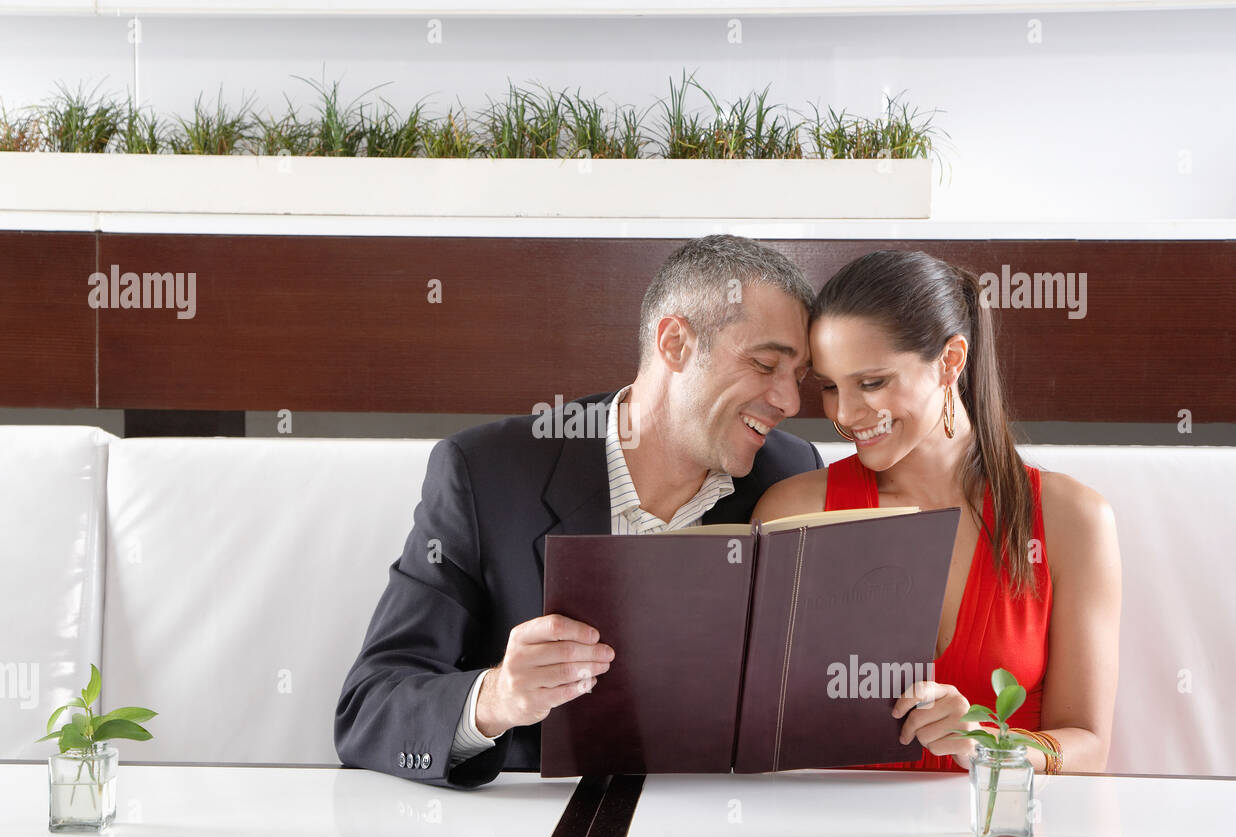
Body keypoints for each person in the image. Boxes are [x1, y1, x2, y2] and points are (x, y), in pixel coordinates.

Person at [335, 234, 825, 788]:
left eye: (799, 377)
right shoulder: (486, 474)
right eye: (765, 365)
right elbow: (368, 706)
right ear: (675, 343)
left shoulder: (788, 475)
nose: (788, 402)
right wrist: (496, 697)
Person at [754, 250, 1121, 775]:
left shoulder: (1072, 521)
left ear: (951, 361)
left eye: (872, 382)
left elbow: (1088, 746)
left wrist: (992, 740)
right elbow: (757, 724)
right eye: (831, 387)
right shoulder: (796, 511)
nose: (846, 415)